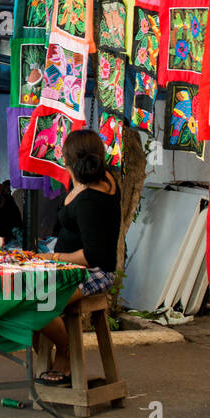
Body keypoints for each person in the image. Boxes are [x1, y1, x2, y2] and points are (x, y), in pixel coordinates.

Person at [36, 129, 122, 387]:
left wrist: (54, 257)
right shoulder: (99, 176)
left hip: (95, 270)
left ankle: (65, 351)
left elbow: (93, 255)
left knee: (38, 302)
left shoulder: (90, 200)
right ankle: (55, 354)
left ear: (67, 161)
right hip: (67, 262)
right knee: (20, 293)